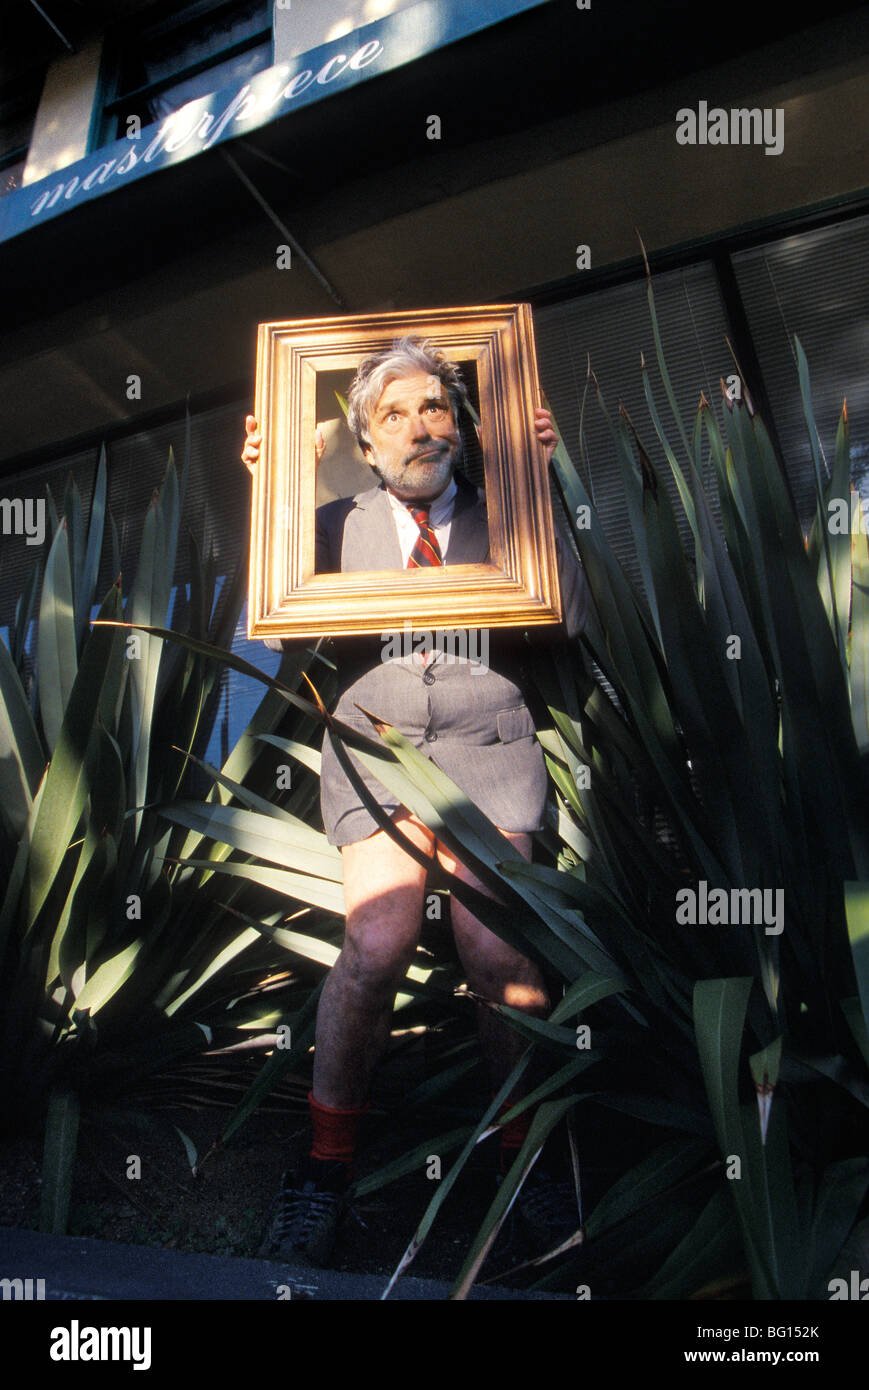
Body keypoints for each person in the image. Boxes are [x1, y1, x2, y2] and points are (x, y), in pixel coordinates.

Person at [241, 337, 587, 1266]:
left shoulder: (507, 509)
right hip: (374, 744)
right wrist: (270, 492)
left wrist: (544, 481)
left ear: (465, 424)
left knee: (497, 947)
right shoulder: (328, 520)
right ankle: (321, 1172)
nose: (417, 426)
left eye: (434, 406)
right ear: (366, 438)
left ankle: (535, 1169)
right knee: (378, 939)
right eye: (392, 414)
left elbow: (576, 617)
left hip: (487, 743)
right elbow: (268, 630)